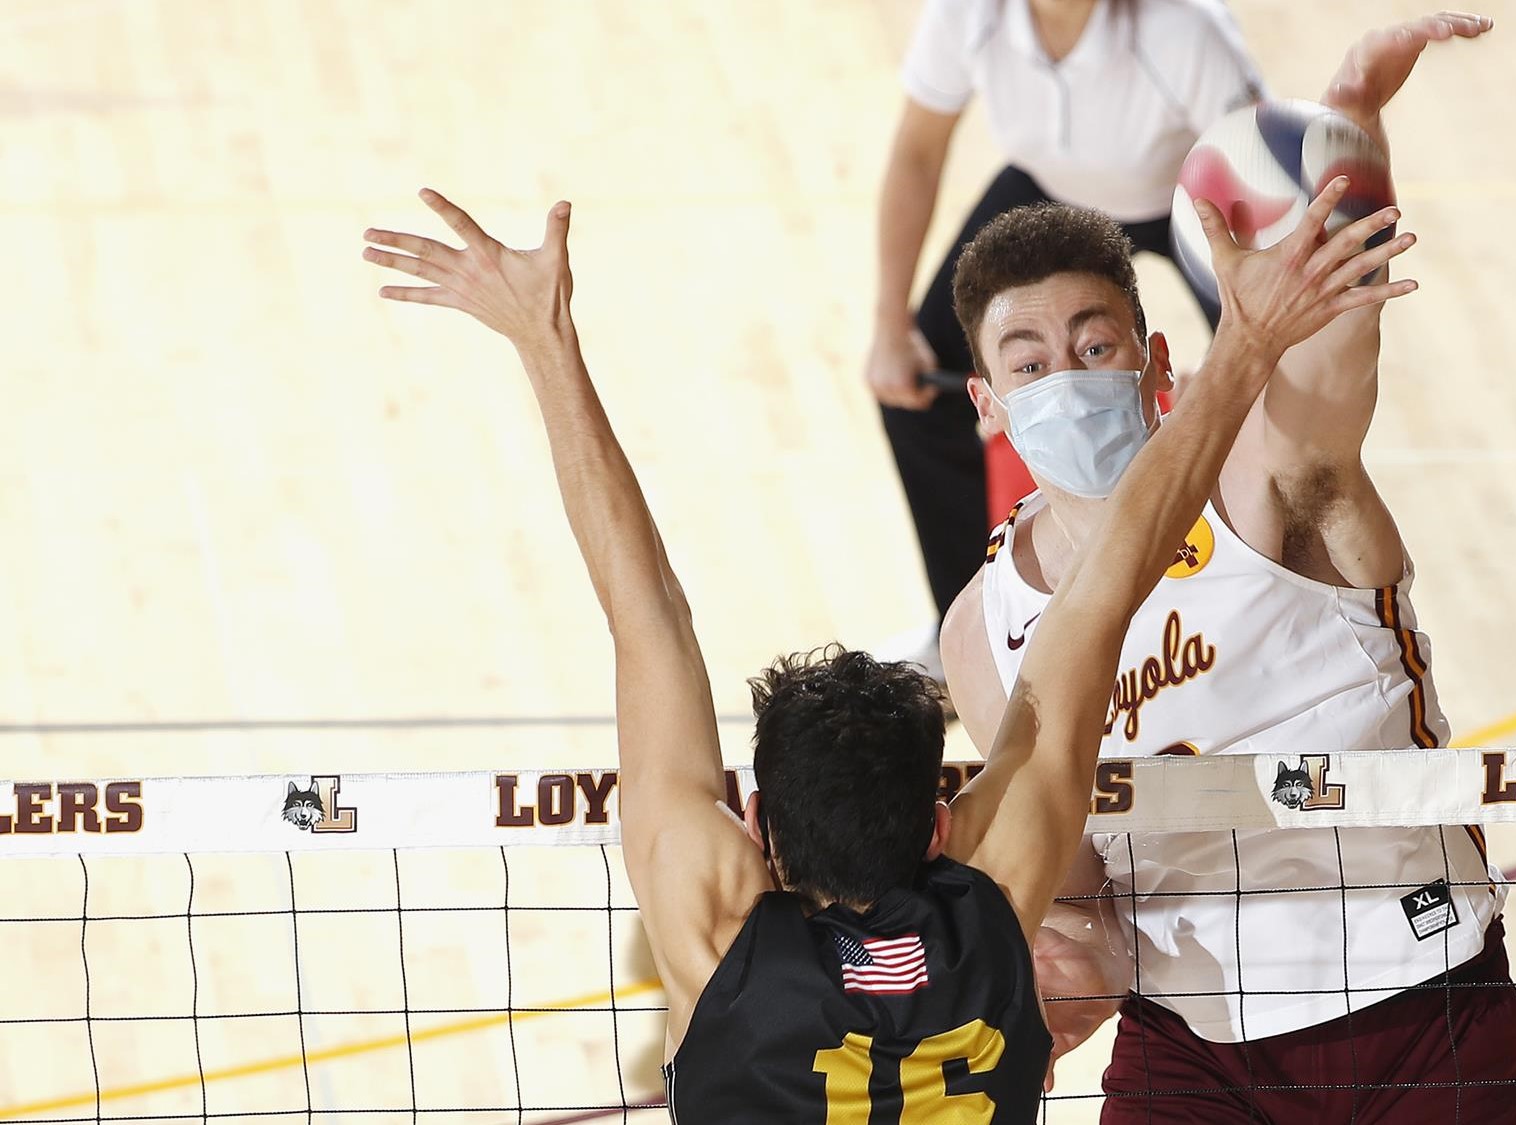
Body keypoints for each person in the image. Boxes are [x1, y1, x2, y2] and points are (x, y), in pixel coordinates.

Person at [359, 174, 1415, 1121]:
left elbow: (645, 622)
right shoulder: (989, 908)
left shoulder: (719, 944)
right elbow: (1100, 597)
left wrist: (545, 344)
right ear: (940, 824)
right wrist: (1242, 352)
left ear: (760, 828)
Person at [935, 12, 1516, 1123]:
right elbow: (1074, 892)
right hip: (1190, 1045)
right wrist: (1060, 977)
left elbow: (1339, 340)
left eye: (1092, 344)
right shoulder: (980, 630)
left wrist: (1347, 125)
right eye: (1029, 361)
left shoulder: (1262, 472)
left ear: (1154, 359)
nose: (1064, 376)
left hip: (1412, 1000)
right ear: (986, 404)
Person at [865, 0, 1270, 673]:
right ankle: (969, 623)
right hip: (1046, 192)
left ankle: (1251, 604)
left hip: (1190, 201)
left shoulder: (1183, 30)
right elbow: (916, 152)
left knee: (1272, 391)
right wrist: (889, 320)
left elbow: (1259, 181)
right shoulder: (968, 13)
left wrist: (1244, 358)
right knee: (913, 389)